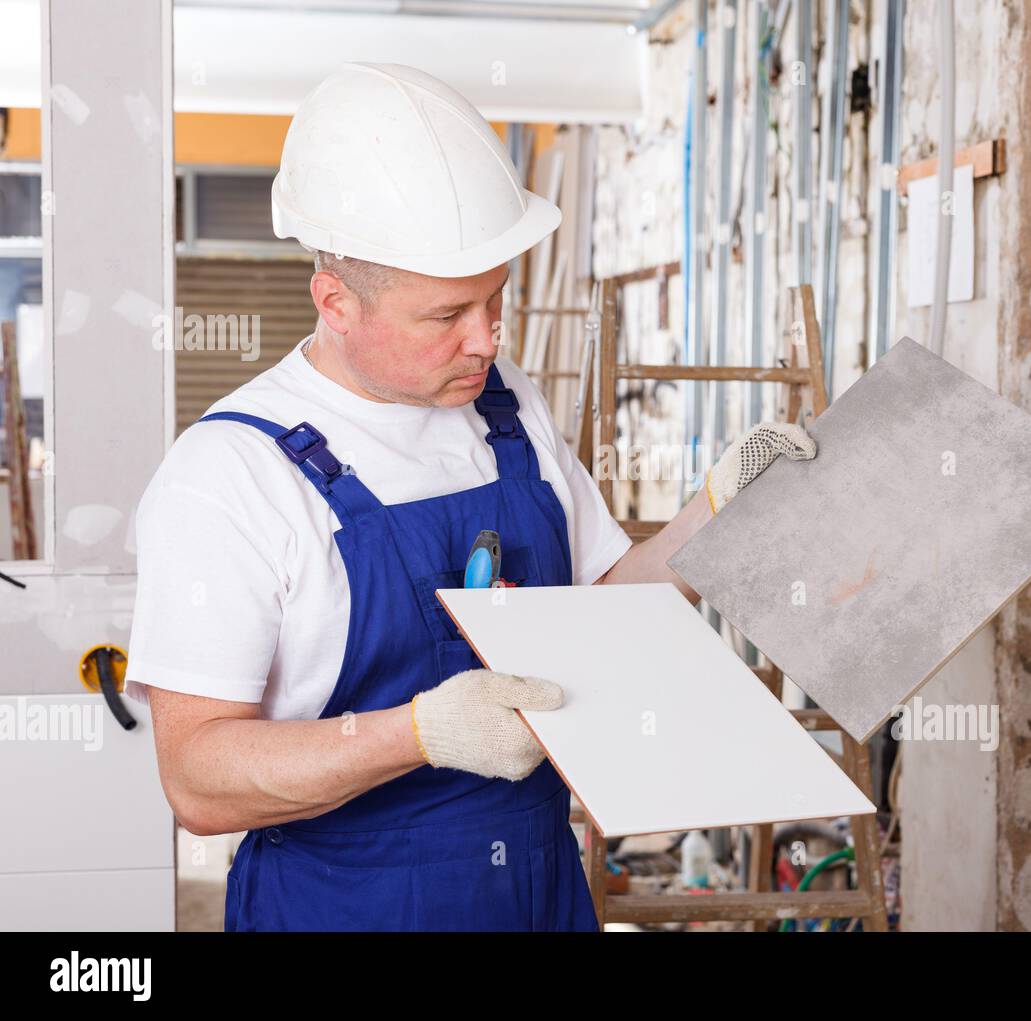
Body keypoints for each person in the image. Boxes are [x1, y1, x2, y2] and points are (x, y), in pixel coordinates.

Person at [125, 62, 815, 931]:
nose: (486, 338)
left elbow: (597, 612)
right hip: (348, 905)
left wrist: (714, 515)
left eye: (496, 300)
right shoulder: (228, 476)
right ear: (335, 301)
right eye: (446, 314)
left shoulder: (504, 405)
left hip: (538, 887)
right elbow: (197, 778)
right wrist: (421, 732)